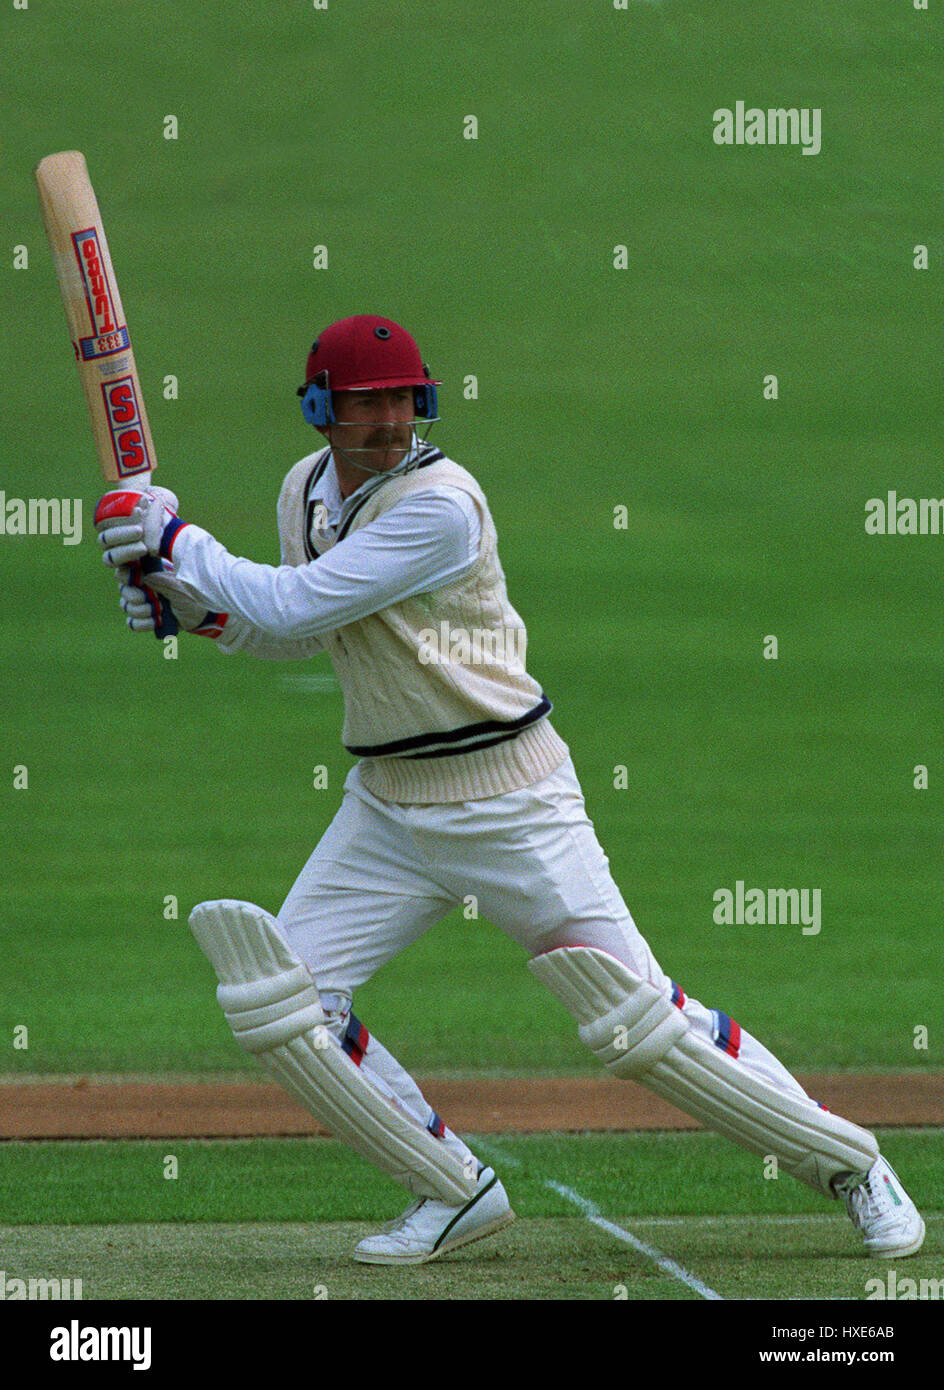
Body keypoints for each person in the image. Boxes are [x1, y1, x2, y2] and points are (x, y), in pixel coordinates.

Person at [95, 314, 924, 1266]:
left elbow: (298, 602)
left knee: (637, 1022)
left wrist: (173, 539)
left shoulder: (443, 506)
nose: (390, 422)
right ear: (320, 410)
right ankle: (451, 1190)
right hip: (388, 806)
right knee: (281, 1003)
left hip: (510, 802)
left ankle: (855, 1166)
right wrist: (197, 615)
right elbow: (312, 630)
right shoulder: (306, 490)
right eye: (367, 405)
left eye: (404, 402)